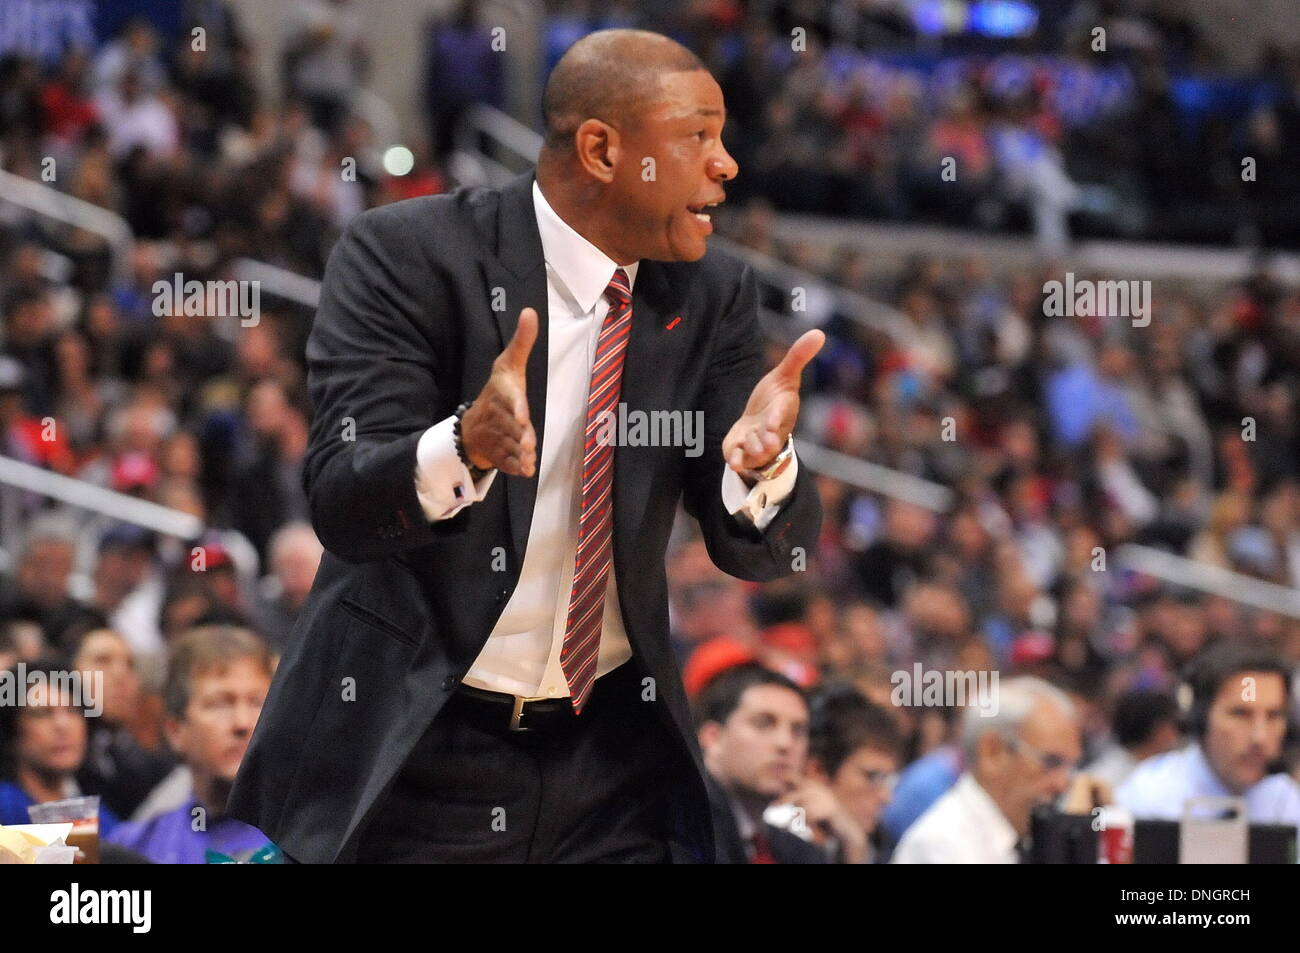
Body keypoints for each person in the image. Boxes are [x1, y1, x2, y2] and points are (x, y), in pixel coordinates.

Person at [227, 28, 824, 864]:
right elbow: (343, 501)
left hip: (611, 757)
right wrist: (463, 446)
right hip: (427, 744)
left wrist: (760, 471)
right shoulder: (406, 254)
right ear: (602, 149)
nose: (727, 164)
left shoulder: (713, 290)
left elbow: (755, 551)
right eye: (698, 136)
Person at [108, 626, 273, 863]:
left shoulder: (316, 839)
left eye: (257, 702)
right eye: (219, 704)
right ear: (175, 731)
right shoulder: (134, 848)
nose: (242, 723)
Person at [892, 677, 1082, 863]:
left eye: (1070, 766)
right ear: (992, 752)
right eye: (1051, 762)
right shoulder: (941, 846)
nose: (1063, 783)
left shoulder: (1025, 837)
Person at [1116, 641, 1300, 833]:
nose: (1259, 737)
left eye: (1274, 715)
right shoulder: (1146, 800)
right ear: (1200, 718)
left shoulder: (1285, 799)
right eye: (1241, 714)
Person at [695, 663, 831, 863]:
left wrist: (851, 843)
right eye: (764, 723)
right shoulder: (684, 830)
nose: (785, 743)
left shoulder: (791, 849)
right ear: (713, 737)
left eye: (798, 730)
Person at [0, 657, 122, 835]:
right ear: (11, 730)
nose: (62, 725)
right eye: (42, 713)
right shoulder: (5, 811)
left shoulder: (101, 818)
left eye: (72, 711)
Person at [1083, 689, 1181, 791]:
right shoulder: (1103, 779)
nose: (1177, 733)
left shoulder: (1171, 768)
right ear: (1157, 729)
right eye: (1173, 725)